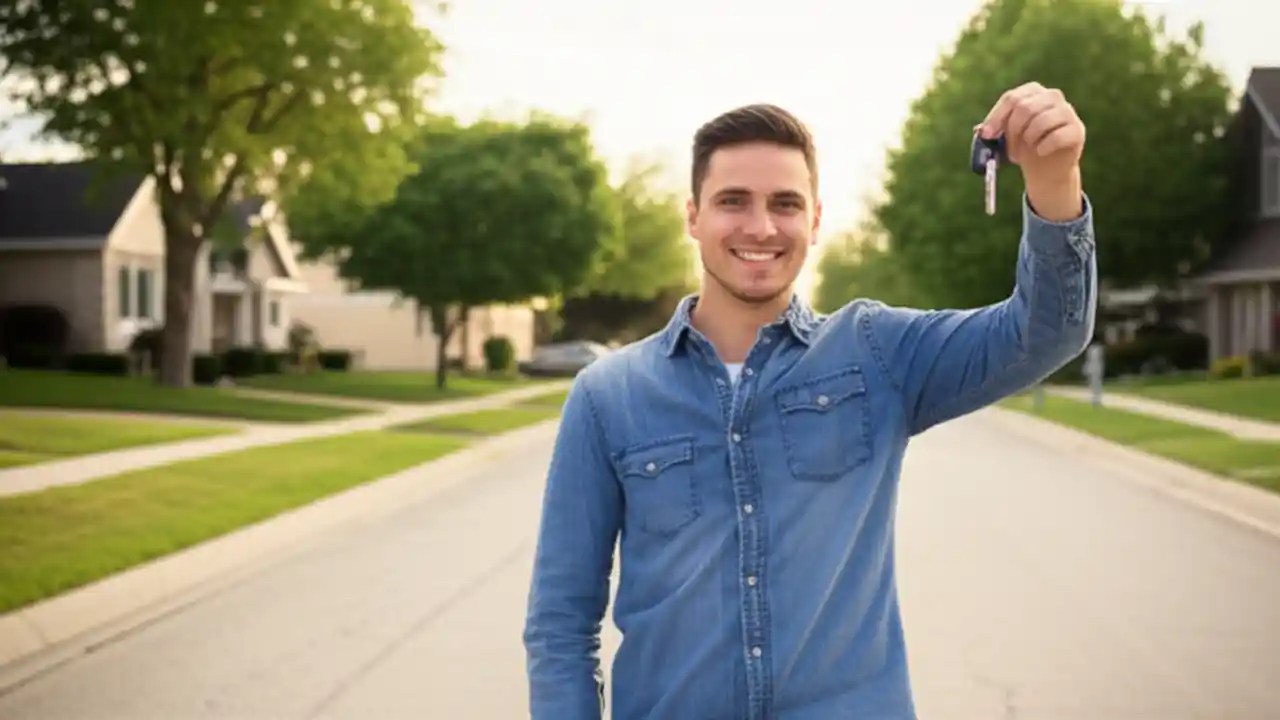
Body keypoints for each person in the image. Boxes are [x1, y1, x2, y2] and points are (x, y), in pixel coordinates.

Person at [523, 81, 1097, 719]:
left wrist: (1053, 179)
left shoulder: (877, 353)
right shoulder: (608, 396)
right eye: (733, 201)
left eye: (786, 204)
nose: (761, 227)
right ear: (693, 215)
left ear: (816, 219)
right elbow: (560, 624)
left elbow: (1046, 331)